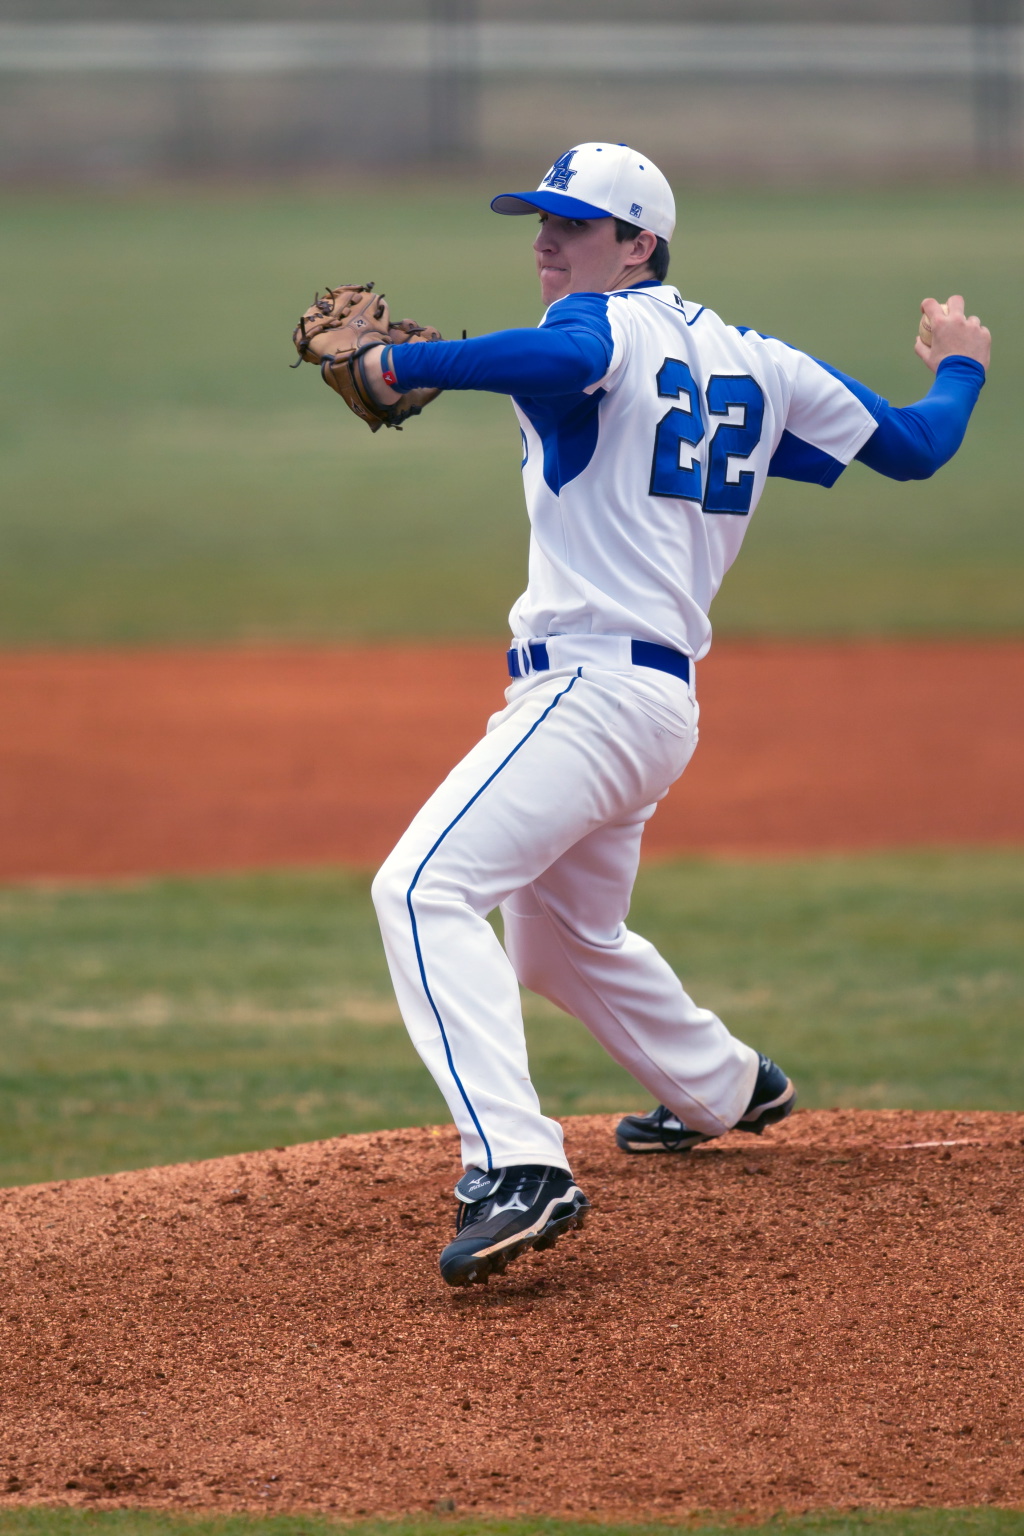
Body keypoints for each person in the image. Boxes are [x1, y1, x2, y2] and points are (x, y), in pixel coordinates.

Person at [363, 142, 990, 1288]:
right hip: (655, 707)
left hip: (589, 695)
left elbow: (557, 354)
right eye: (539, 221)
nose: (546, 242)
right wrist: (958, 366)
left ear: (638, 244)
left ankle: (518, 1167)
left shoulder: (601, 329)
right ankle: (724, 1086)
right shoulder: (758, 360)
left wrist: (405, 363)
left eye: (575, 225)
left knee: (419, 888)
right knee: (559, 944)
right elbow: (913, 447)